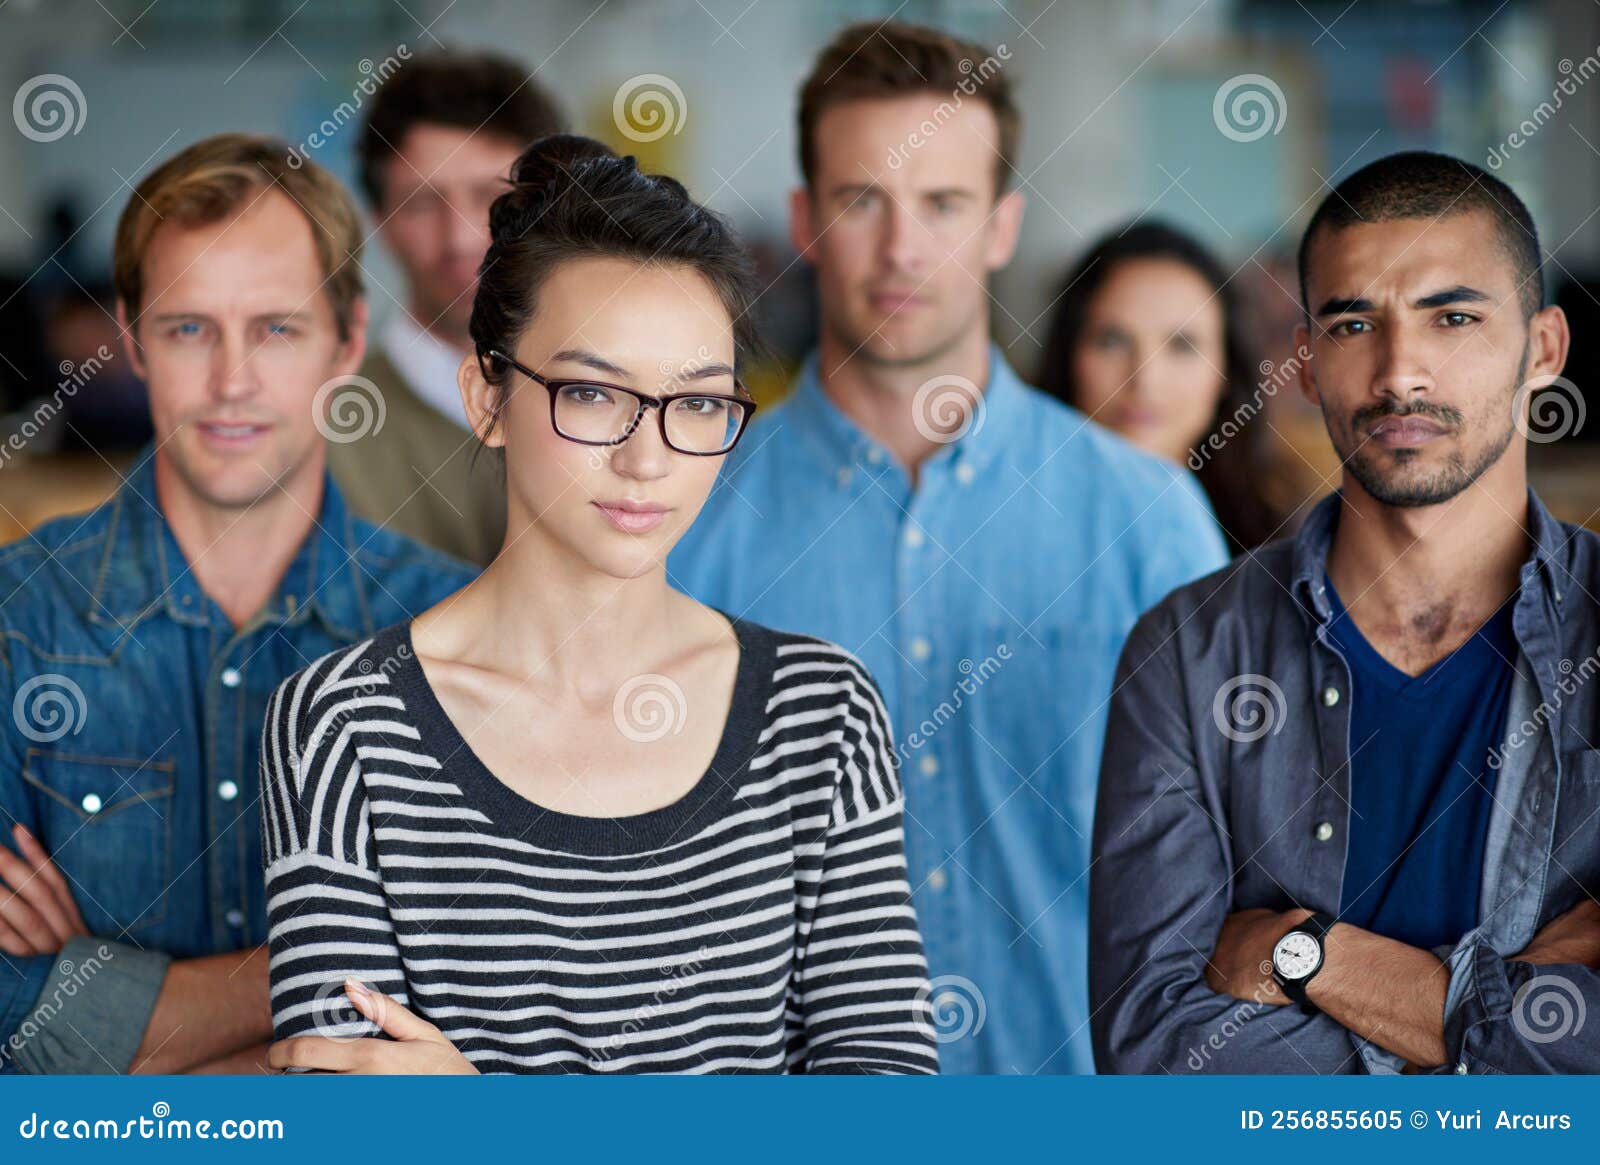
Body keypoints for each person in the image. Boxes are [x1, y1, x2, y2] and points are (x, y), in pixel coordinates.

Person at [261, 136, 938, 1075]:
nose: (647, 457)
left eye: (696, 404)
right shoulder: (345, 723)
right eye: (590, 392)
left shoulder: (820, 715)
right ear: (486, 398)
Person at [668, 21, 1227, 1074]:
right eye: (861, 200)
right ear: (805, 220)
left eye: (943, 203)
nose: (902, 250)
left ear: (1003, 224)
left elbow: (1239, 866)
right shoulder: (688, 513)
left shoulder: (1147, 517)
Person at [1090, 151, 1600, 1074]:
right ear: (1307, 364)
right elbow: (1155, 1050)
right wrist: (1505, 1017)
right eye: (1354, 323)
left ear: (1545, 349)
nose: (1401, 373)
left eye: (1453, 317)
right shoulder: (1190, 651)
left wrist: (1311, 957)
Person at [0, 134, 475, 1075]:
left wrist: (98, 998)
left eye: (276, 328)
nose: (231, 382)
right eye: (188, 328)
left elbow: (487, 1005)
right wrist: (342, 969)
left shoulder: (452, 633)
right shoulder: (19, 616)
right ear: (132, 336)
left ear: (347, 340)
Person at [328, 51, 565, 566]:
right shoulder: (325, 440)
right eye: (421, 203)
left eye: (491, 197)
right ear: (381, 223)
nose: (460, 238)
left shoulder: (626, 408)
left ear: (551, 208)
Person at [1036, 221, 1289, 553]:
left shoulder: (1281, 555)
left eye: (1182, 345)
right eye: (1112, 341)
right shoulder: (1013, 523)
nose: (1145, 379)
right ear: (1068, 356)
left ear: (1226, 372)